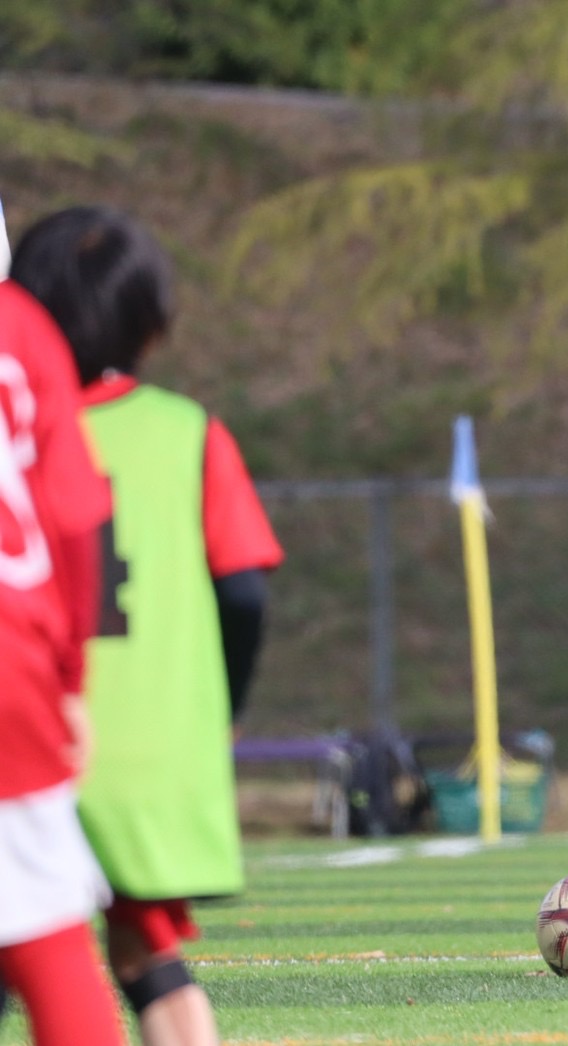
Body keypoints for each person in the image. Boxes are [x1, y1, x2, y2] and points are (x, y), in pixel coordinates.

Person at [9, 206, 284, 1046]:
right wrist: (225, 708)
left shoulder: (23, 428)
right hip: (143, 752)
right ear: (151, 327)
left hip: (34, 730)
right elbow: (243, 592)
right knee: (147, 959)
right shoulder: (187, 432)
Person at [0, 252, 127, 1040]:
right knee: (48, 935)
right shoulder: (22, 330)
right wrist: (70, 679)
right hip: (9, 673)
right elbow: (78, 523)